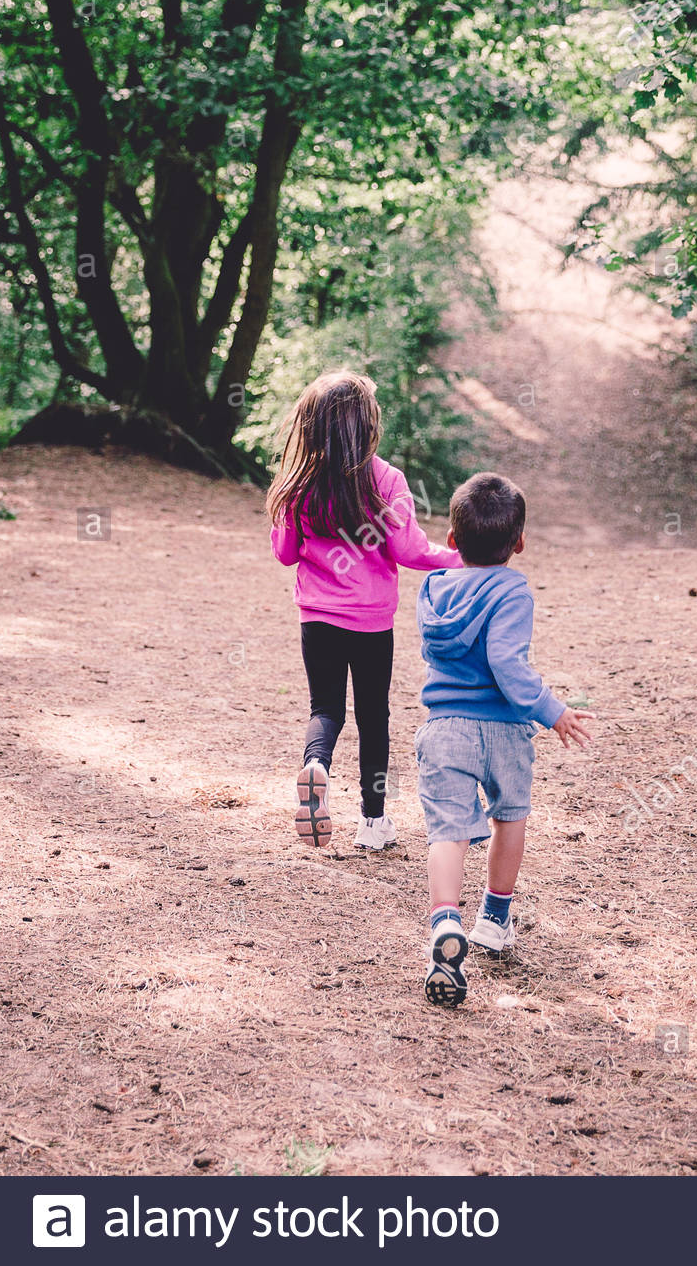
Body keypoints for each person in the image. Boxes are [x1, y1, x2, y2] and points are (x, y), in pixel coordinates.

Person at [415, 471, 594, 1007]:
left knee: (447, 832)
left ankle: (445, 920)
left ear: (451, 540)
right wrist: (552, 712)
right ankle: (493, 919)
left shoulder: (432, 588)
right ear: (519, 543)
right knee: (508, 817)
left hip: (445, 729)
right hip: (504, 733)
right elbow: (507, 665)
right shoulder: (512, 589)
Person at [268, 371, 461, 851]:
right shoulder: (387, 479)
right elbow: (409, 549)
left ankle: (315, 767)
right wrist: (461, 558)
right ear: (367, 426)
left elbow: (286, 554)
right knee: (374, 716)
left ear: (312, 427)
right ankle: (373, 823)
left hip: (316, 619)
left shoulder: (299, 483)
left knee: (326, 709)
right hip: (371, 623)